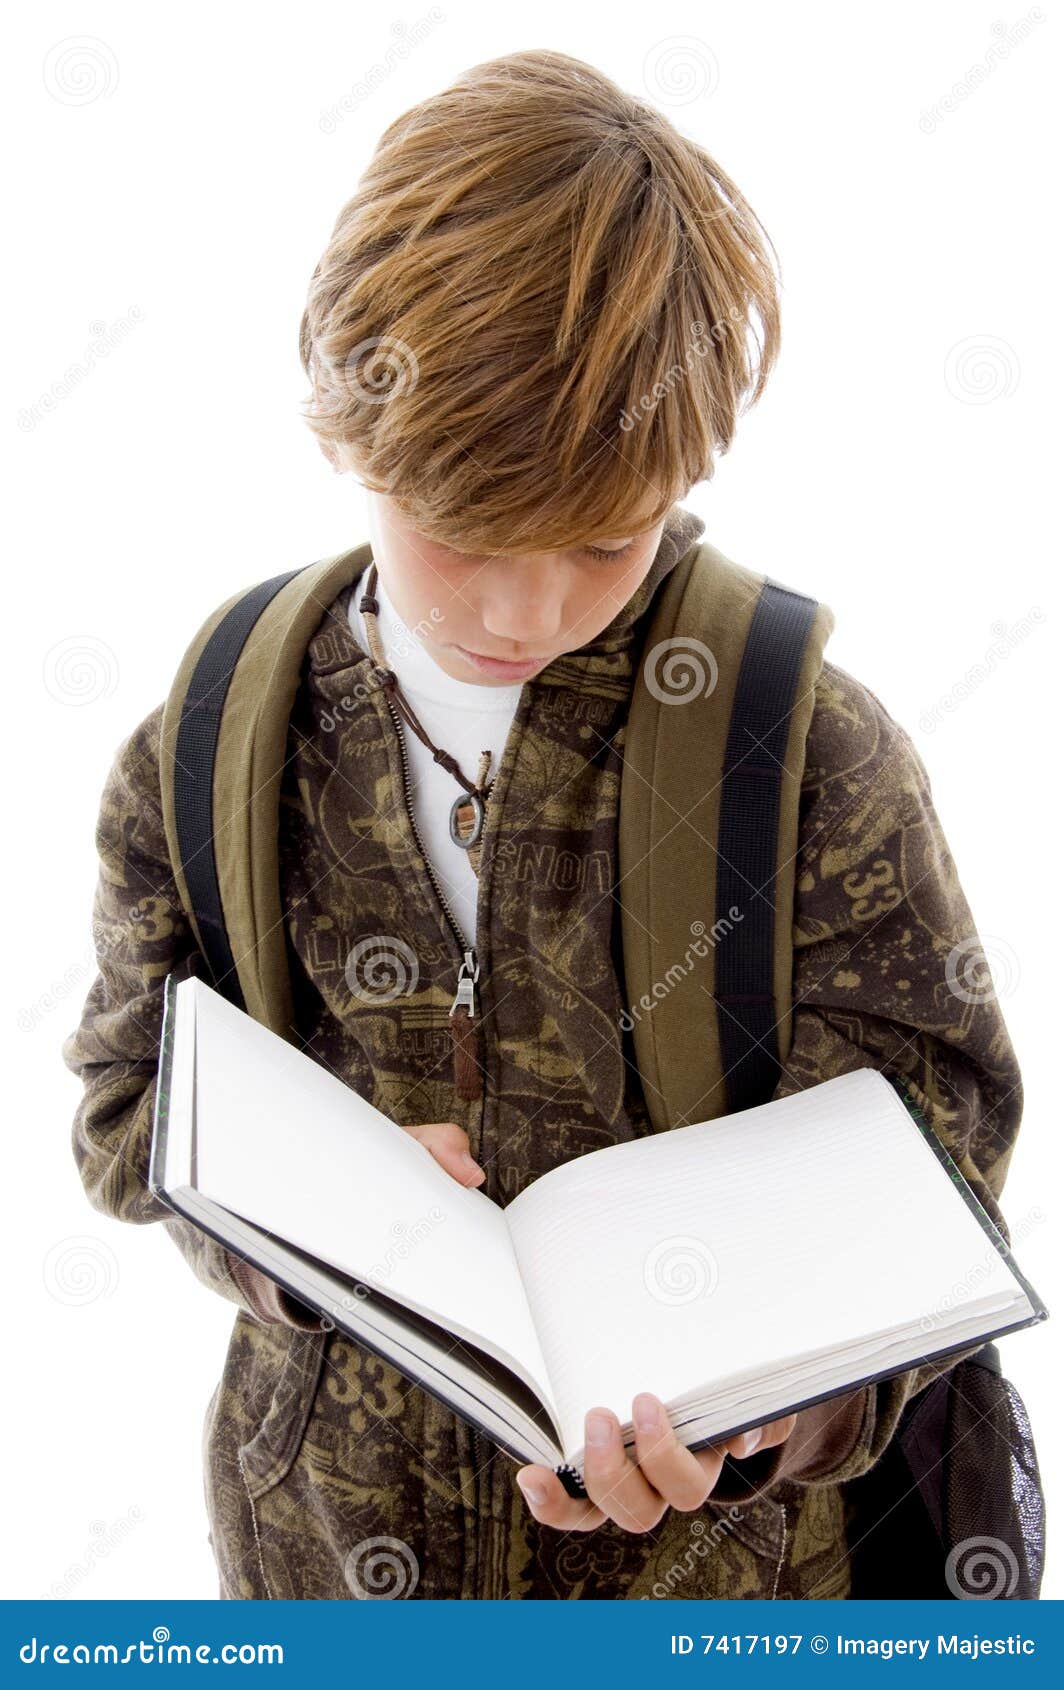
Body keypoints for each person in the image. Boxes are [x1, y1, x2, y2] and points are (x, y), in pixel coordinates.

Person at [62, 49, 1023, 1600]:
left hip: (719, 1596)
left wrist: (788, 1400)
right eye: (462, 534)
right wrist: (305, 1234)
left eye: (599, 540)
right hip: (322, 1575)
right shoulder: (207, 744)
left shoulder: (809, 749)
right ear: (346, 423)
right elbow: (125, 1102)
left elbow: (938, 1146)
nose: (524, 609)